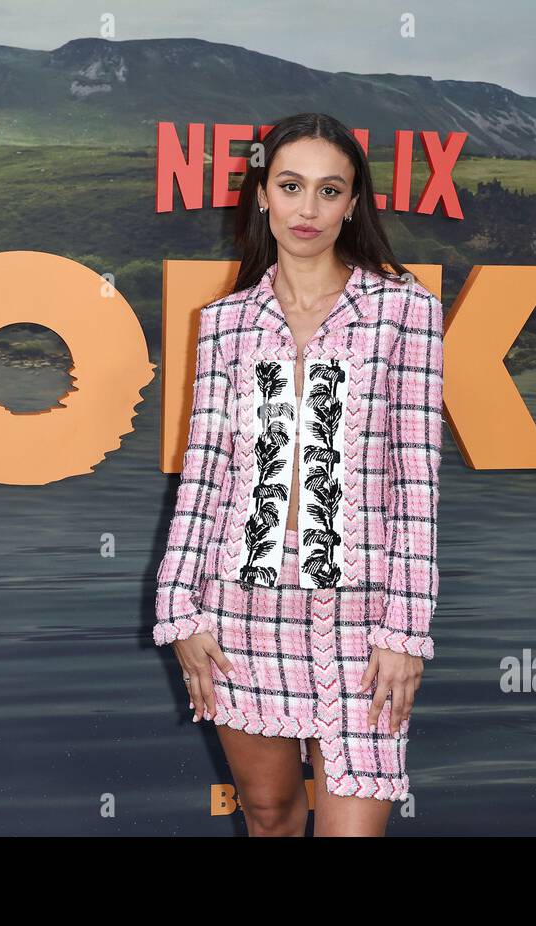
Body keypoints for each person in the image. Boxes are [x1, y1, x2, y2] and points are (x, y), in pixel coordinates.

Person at [152, 112, 444, 836]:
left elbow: (417, 480)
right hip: (242, 611)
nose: (307, 209)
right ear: (262, 195)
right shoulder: (225, 323)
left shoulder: (403, 312)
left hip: (364, 617)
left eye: (328, 189)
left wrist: (405, 633)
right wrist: (179, 607)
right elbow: (206, 474)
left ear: (352, 203)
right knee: (270, 815)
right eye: (290, 186)